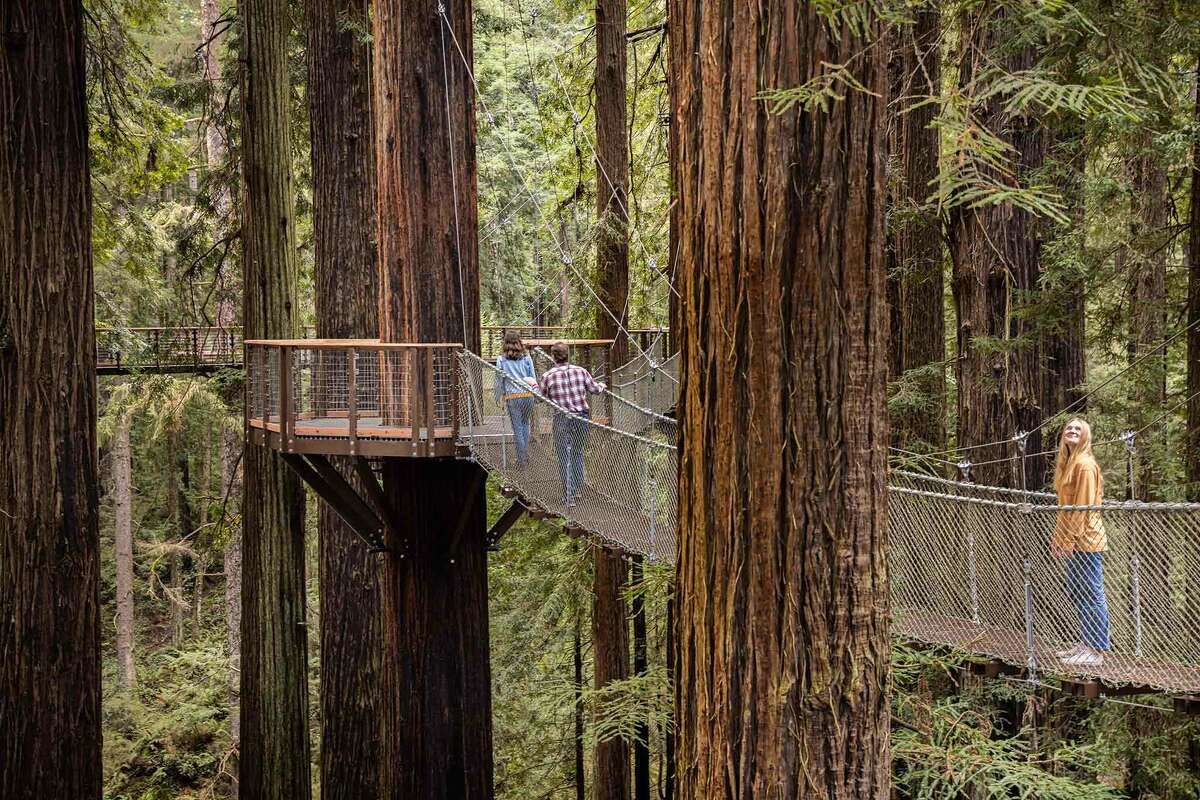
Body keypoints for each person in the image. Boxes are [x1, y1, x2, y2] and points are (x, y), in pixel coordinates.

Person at [1051, 418, 1110, 668]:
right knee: (1077, 591)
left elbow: (1082, 508)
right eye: (1069, 428)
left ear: (1085, 436)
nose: (1072, 431)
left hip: (1086, 540)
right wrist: (1058, 538)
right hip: (1074, 538)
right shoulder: (1069, 463)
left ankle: (1096, 649)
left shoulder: (1084, 465)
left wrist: (1068, 540)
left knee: (1091, 591)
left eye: (1078, 429)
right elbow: (1065, 509)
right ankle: (1086, 643)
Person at [538, 341, 606, 506]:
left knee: (563, 456)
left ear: (553, 356)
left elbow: (539, 398)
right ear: (568, 355)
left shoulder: (548, 376)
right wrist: (602, 385)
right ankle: (578, 489)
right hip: (581, 418)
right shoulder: (581, 371)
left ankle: (570, 495)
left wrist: (534, 386)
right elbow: (595, 390)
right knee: (577, 452)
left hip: (562, 418)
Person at [494, 331, 537, 467]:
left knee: (517, 428)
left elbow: (499, 380)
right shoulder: (527, 357)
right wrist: (535, 393)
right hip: (528, 396)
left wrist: (498, 396)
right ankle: (524, 455)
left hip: (513, 397)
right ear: (519, 342)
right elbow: (533, 377)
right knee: (526, 425)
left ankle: (521, 460)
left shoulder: (501, 359)